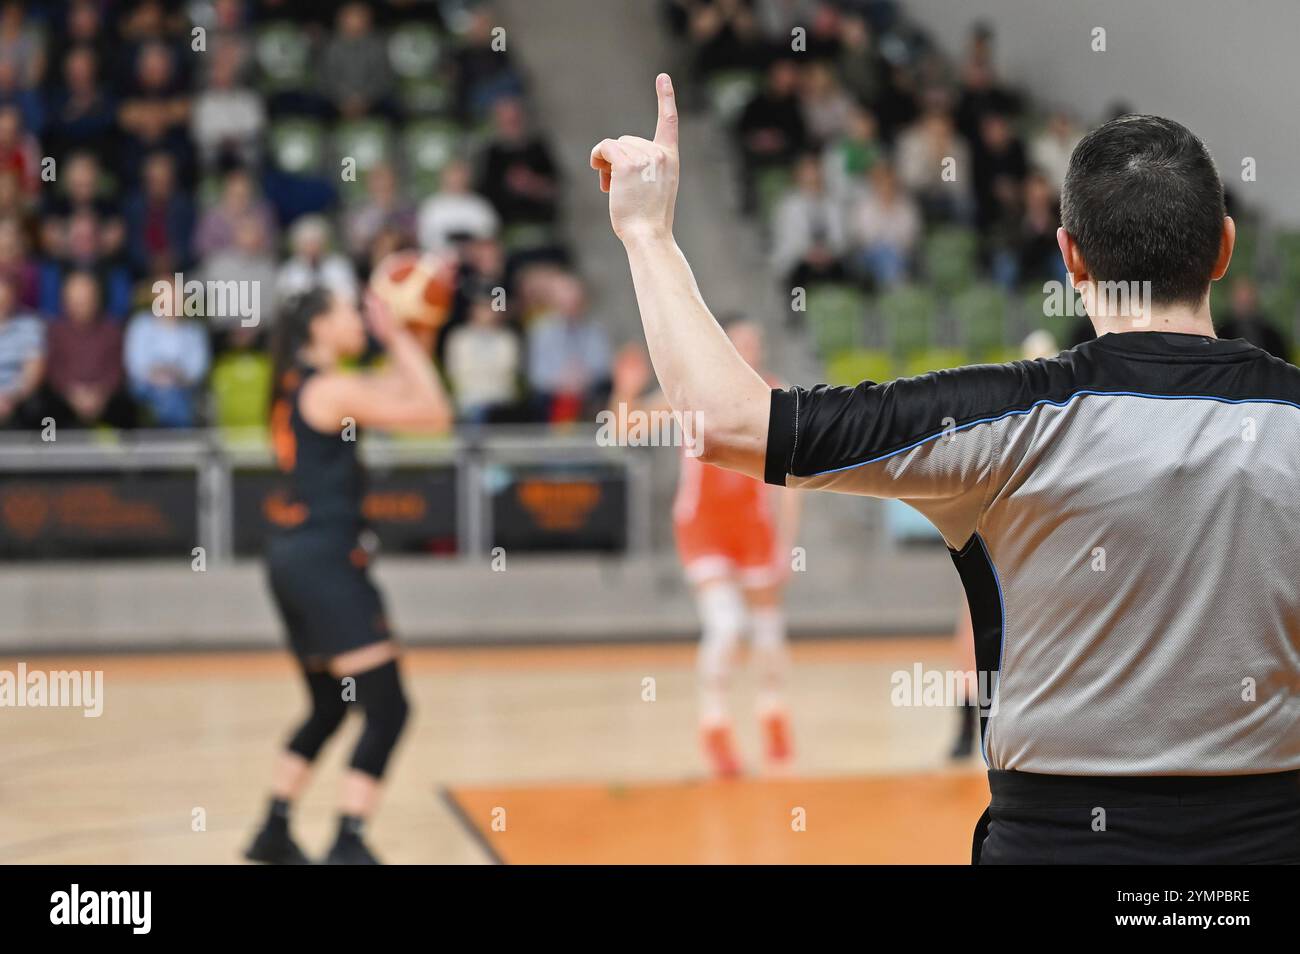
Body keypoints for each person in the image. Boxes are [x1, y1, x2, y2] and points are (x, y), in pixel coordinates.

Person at [591, 77, 1300, 864]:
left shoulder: (999, 418)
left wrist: (648, 233)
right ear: (1225, 248)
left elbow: (726, 423)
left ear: (1069, 257)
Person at [244, 288, 452, 865]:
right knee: (388, 706)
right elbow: (433, 413)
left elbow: (403, 390)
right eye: (345, 311)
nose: (357, 318)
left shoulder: (304, 385)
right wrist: (402, 336)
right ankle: (348, 840)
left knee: (332, 703)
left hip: (291, 557)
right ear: (317, 328)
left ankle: (274, 829)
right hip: (324, 561)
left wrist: (410, 340)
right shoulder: (328, 389)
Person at [610, 320, 800, 777]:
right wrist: (625, 389)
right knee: (727, 624)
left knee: (768, 629)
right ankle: (713, 721)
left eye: (755, 343)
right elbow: (624, 430)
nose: (749, 350)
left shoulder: (777, 396)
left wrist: (787, 542)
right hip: (703, 525)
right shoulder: (691, 394)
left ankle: (772, 710)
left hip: (755, 526)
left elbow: (793, 482)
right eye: (740, 342)